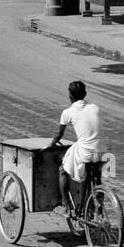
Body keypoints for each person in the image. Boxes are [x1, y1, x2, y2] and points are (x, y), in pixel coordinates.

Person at [50, 80, 102, 214]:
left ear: (70, 96)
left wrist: (51, 144)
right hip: (101, 150)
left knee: (63, 169)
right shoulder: (96, 108)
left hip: (85, 152)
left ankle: (66, 205)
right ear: (85, 94)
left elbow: (59, 135)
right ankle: (97, 206)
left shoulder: (68, 112)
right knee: (96, 175)